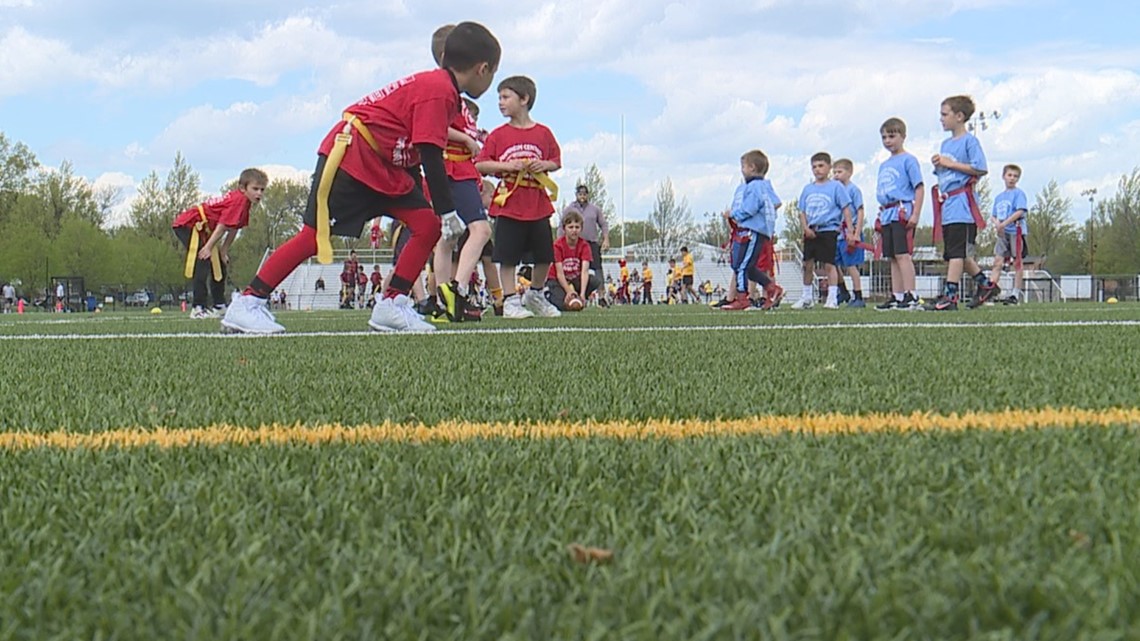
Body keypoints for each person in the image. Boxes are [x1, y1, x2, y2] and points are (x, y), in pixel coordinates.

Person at [220, 22, 501, 334]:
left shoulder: (439, 89)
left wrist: (432, 209)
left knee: (426, 224)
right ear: (483, 69)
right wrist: (448, 212)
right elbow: (431, 151)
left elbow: (413, 145)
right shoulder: (439, 90)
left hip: (386, 166)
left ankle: (391, 304)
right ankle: (248, 302)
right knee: (315, 237)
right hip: (352, 161)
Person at [474, 75, 562, 320]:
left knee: (545, 255)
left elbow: (555, 161)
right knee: (508, 256)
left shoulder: (543, 133)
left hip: (537, 202)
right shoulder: (498, 135)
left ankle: (535, 293)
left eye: (506, 97)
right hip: (509, 203)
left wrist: (542, 164)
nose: (501, 103)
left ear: (524, 99)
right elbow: (480, 165)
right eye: (499, 98)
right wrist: (506, 166)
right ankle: (511, 299)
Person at [927, 94, 1001, 311]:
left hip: (963, 206)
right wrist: (940, 164)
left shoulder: (970, 141)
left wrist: (951, 164)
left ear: (959, 116)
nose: (941, 119)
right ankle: (986, 286)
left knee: (958, 254)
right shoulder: (945, 143)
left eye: (944, 114)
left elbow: (980, 167)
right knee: (955, 253)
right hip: (948, 205)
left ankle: (950, 296)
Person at [171, 168, 268, 319]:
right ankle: (198, 307)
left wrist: (223, 251)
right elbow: (222, 226)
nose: (259, 193)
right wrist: (208, 247)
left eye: (262, 190)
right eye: (255, 189)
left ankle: (219, 305)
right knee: (202, 261)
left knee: (220, 265)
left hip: (207, 230)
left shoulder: (245, 203)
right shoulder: (239, 200)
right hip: (189, 225)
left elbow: (234, 227)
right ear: (243, 188)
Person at [721, 149, 782, 310]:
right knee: (749, 267)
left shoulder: (754, 187)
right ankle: (772, 289)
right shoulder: (764, 186)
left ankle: (742, 298)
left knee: (742, 265)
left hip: (752, 232)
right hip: (758, 231)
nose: (742, 170)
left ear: (752, 168)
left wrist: (733, 214)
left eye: (744, 167)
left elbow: (750, 208)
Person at [874, 117, 925, 311]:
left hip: (902, 210)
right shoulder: (884, 165)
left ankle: (911, 294)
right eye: (884, 137)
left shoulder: (909, 160)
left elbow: (919, 188)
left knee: (903, 254)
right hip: (887, 211)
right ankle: (897, 295)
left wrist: (916, 213)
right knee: (892, 256)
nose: (888, 141)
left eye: (892, 136)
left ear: (903, 136)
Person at [792, 152, 852, 309]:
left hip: (829, 229)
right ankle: (806, 298)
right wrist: (805, 228)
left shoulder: (836, 187)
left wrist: (850, 231)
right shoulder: (808, 189)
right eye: (814, 167)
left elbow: (846, 208)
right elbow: (802, 211)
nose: (817, 170)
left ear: (829, 167)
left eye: (821, 166)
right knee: (807, 264)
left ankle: (832, 298)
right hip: (812, 230)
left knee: (829, 264)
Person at [988, 164, 1029, 305]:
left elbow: (1020, 211)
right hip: (1002, 233)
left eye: (1015, 176)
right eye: (1009, 175)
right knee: (997, 261)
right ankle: (990, 291)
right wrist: (997, 224)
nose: (1012, 178)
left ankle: (1015, 294)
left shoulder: (1019, 194)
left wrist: (1004, 223)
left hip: (1015, 231)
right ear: (1004, 176)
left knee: (1017, 262)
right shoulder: (999, 197)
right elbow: (993, 215)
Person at [546, 211, 600, 311]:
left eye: (577, 227)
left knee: (594, 281)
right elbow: (560, 274)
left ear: (581, 228)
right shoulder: (558, 246)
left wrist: (583, 294)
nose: (574, 230)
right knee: (562, 305)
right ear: (564, 229)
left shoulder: (584, 246)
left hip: (574, 278)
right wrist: (568, 291)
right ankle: (549, 296)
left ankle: (579, 298)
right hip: (557, 279)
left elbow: (584, 272)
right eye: (570, 227)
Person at [832, 158, 867, 308]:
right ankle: (842, 290)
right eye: (834, 172)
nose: (836, 175)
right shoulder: (835, 189)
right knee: (833, 264)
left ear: (849, 172)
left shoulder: (853, 190)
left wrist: (856, 232)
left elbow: (860, 211)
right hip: (837, 234)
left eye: (840, 172)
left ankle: (858, 295)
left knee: (851, 265)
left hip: (849, 232)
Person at [561, 184, 610, 284]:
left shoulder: (595, 209)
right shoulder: (569, 209)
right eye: (580, 194)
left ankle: (601, 295)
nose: (582, 196)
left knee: (597, 268)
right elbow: (561, 226)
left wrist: (606, 239)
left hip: (591, 243)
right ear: (576, 195)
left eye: (584, 194)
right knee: (574, 269)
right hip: (575, 244)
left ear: (587, 195)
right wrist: (560, 242)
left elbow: (603, 224)